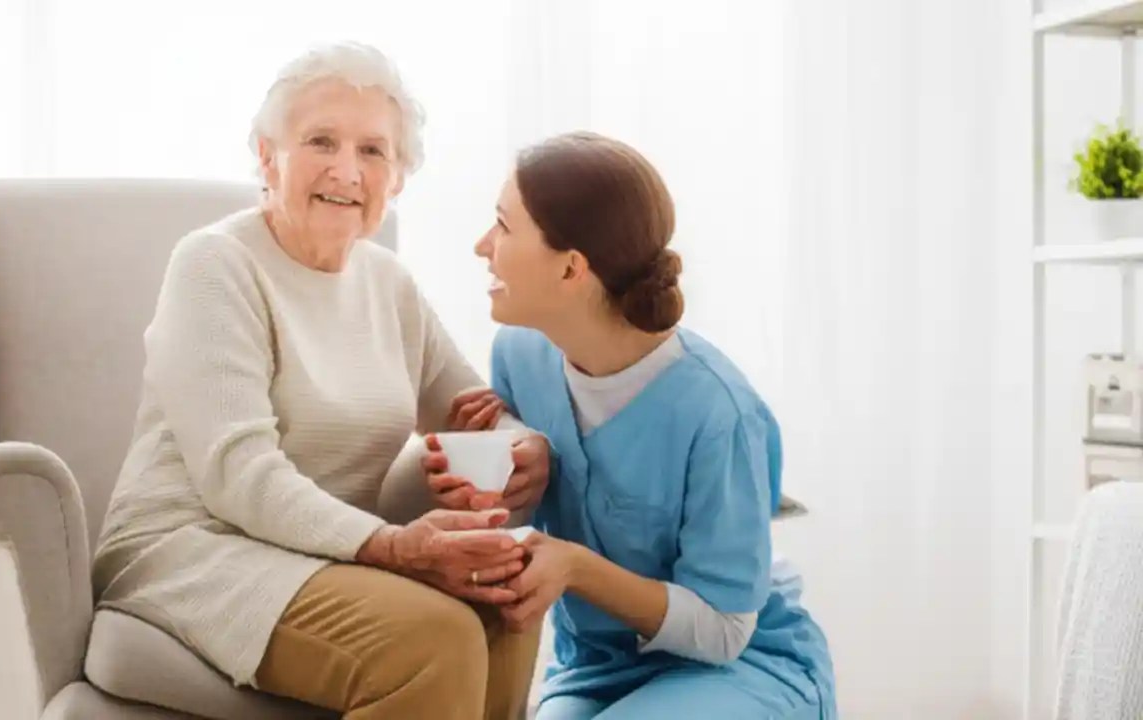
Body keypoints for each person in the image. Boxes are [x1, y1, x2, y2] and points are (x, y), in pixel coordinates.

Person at [91, 42, 548, 720]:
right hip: (194, 550)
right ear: (266, 154)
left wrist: (522, 447)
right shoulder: (215, 265)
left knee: (506, 593)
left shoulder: (386, 282)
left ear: (398, 179)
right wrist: (393, 548)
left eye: (373, 151)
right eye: (320, 141)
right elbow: (238, 476)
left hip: (316, 555)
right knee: (435, 638)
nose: (347, 170)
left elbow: (470, 409)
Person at [424, 132, 837, 718]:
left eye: (503, 225)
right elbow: (547, 479)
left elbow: (723, 629)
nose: (481, 245)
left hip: (743, 670)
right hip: (596, 668)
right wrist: (518, 452)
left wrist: (576, 566)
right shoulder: (519, 353)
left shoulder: (719, 412)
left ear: (571, 269)